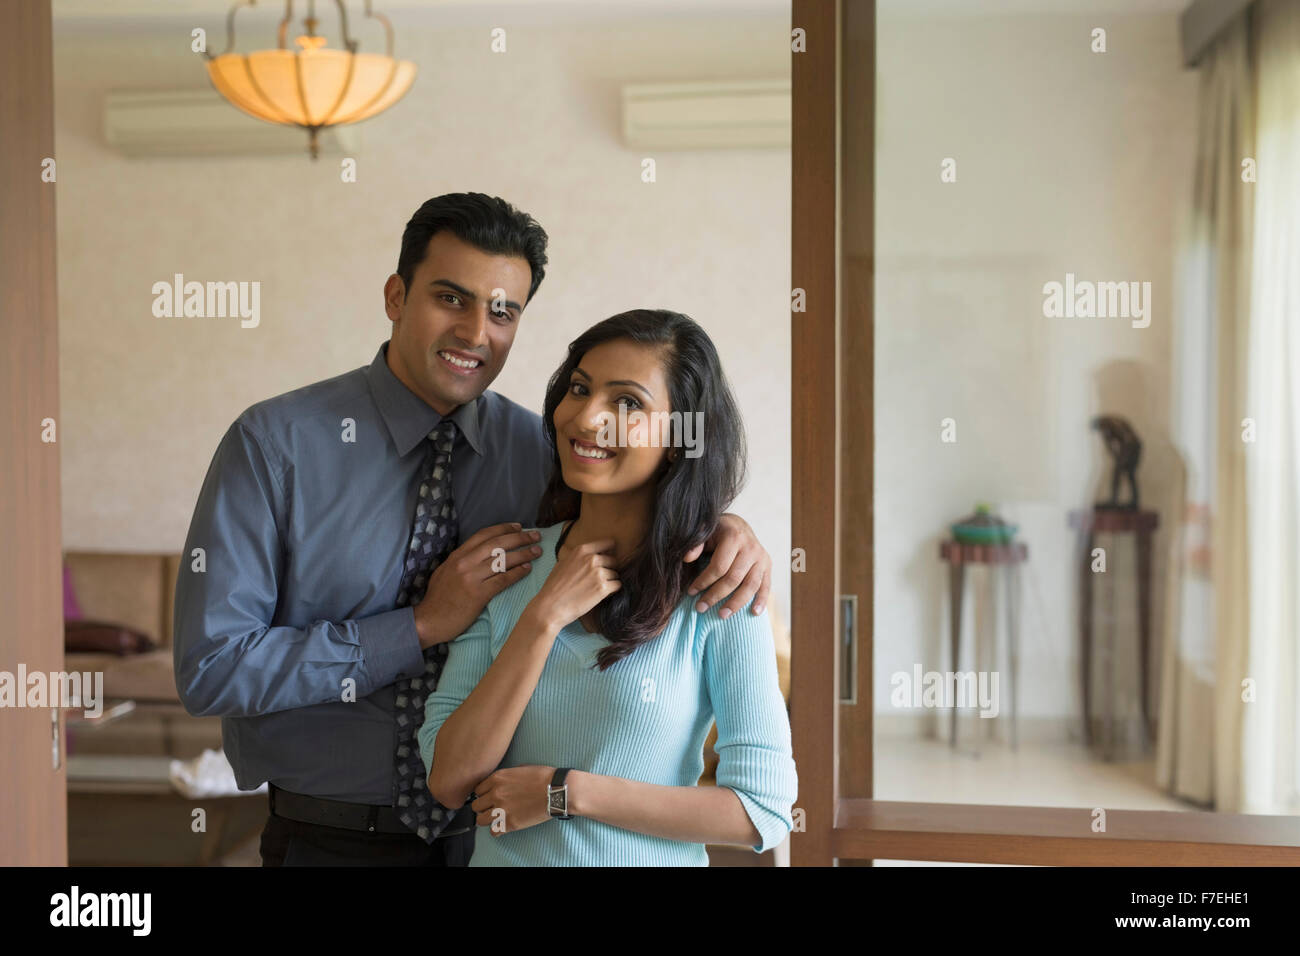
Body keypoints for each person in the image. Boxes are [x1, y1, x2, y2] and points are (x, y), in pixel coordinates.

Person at [172, 194, 774, 867]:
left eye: (502, 311)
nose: (474, 332)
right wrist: (421, 626)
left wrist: (722, 527)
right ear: (396, 296)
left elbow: (642, 478)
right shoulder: (276, 446)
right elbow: (211, 669)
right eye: (450, 298)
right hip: (329, 839)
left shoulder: (546, 453)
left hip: (506, 840)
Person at [421, 310, 796, 866]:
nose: (587, 416)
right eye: (579, 388)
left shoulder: (719, 587)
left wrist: (567, 792)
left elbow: (761, 811)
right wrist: (541, 618)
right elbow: (448, 778)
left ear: (678, 439)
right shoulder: (509, 565)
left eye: (627, 403)